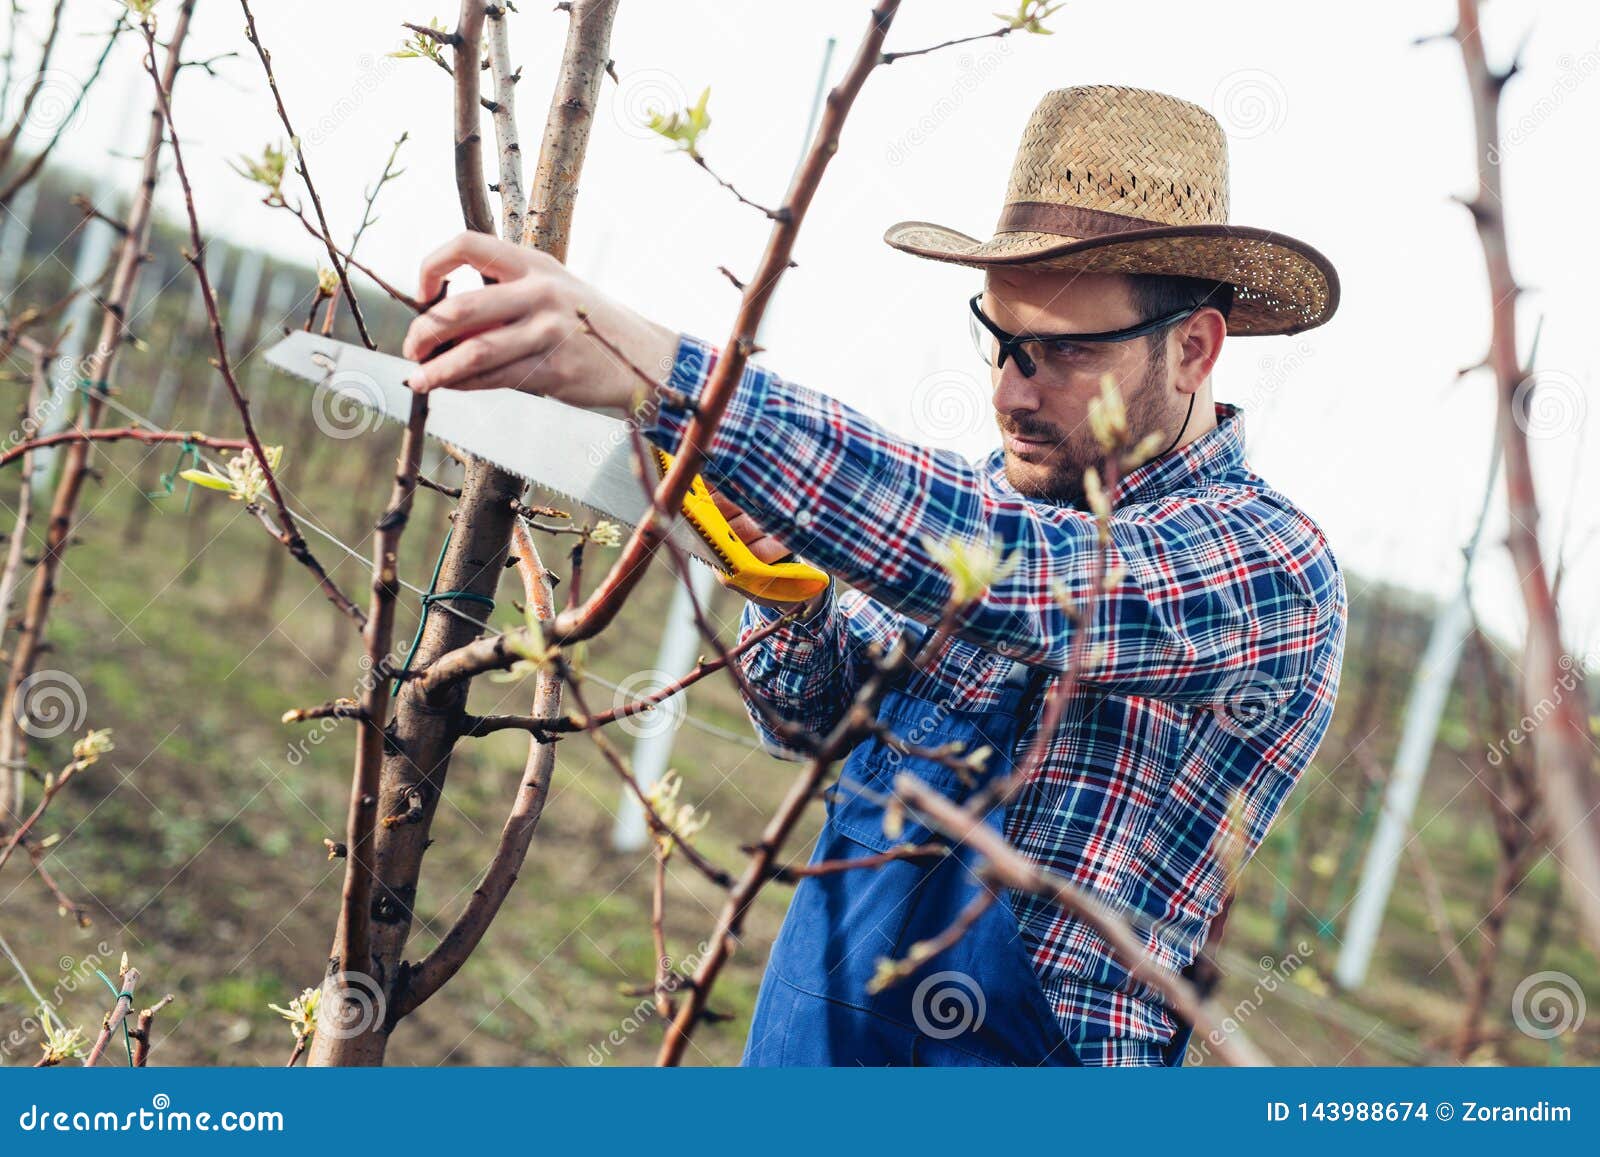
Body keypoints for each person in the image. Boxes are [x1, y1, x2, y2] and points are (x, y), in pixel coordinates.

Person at [402, 85, 1347, 1067]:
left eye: (1062, 352)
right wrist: (790, 597)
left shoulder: (1268, 565)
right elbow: (815, 725)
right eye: (1000, 338)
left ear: (1192, 348)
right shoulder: (979, 503)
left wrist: (664, 373)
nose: (1009, 390)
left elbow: (1032, 580)